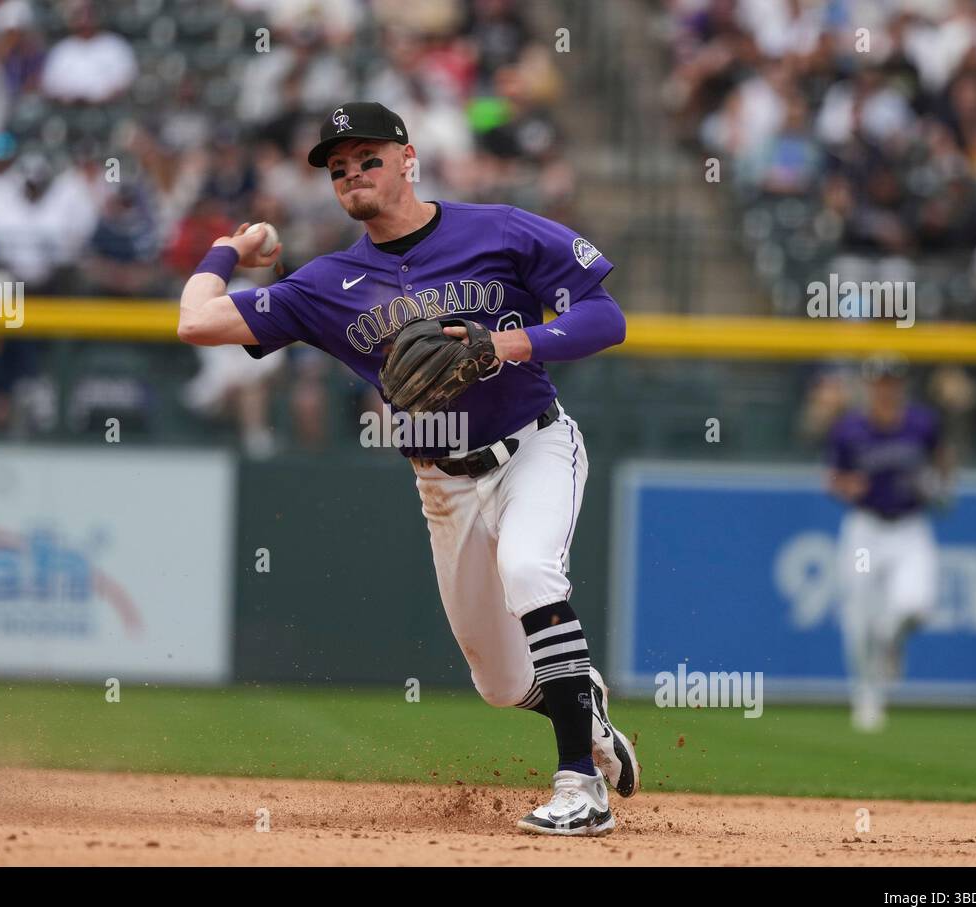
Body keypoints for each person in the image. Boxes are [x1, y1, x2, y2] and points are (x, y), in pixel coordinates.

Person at [176, 101, 639, 836]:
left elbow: (605, 318)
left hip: (534, 446)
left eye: (367, 158)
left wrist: (503, 344)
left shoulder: (499, 229)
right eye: (338, 168)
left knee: (531, 571)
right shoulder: (327, 283)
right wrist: (231, 248)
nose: (352, 173)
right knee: (500, 682)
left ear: (408, 158)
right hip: (442, 483)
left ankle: (580, 786)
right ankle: (588, 711)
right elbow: (195, 322)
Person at [826, 355, 954, 732]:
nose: (885, 388)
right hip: (866, 532)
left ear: (901, 385)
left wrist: (940, 485)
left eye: (892, 381)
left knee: (917, 606)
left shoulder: (921, 423)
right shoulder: (850, 428)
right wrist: (848, 486)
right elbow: (832, 477)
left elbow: (944, 462)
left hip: (909, 530)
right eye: (879, 381)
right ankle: (866, 698)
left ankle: (892, 641)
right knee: (858, 619)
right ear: (869, 386)